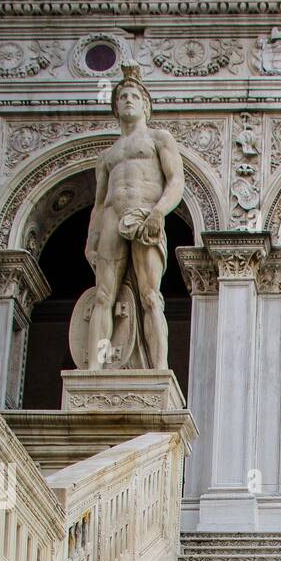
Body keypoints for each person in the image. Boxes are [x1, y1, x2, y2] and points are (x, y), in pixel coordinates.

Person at [85, 64, 184, 371]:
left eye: (134, 96)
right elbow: (100, 204)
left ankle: (158, 369)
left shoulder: (158, 138)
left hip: (145, 216)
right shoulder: (107, 156)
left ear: (145, 105)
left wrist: (158, 212)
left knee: (150, 296)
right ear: (116, 108)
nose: (128, 100)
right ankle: (95, 368)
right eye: (122, 97)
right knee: (103, 296)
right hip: (113, 220)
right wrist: (92, 240)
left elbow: (176, 181)